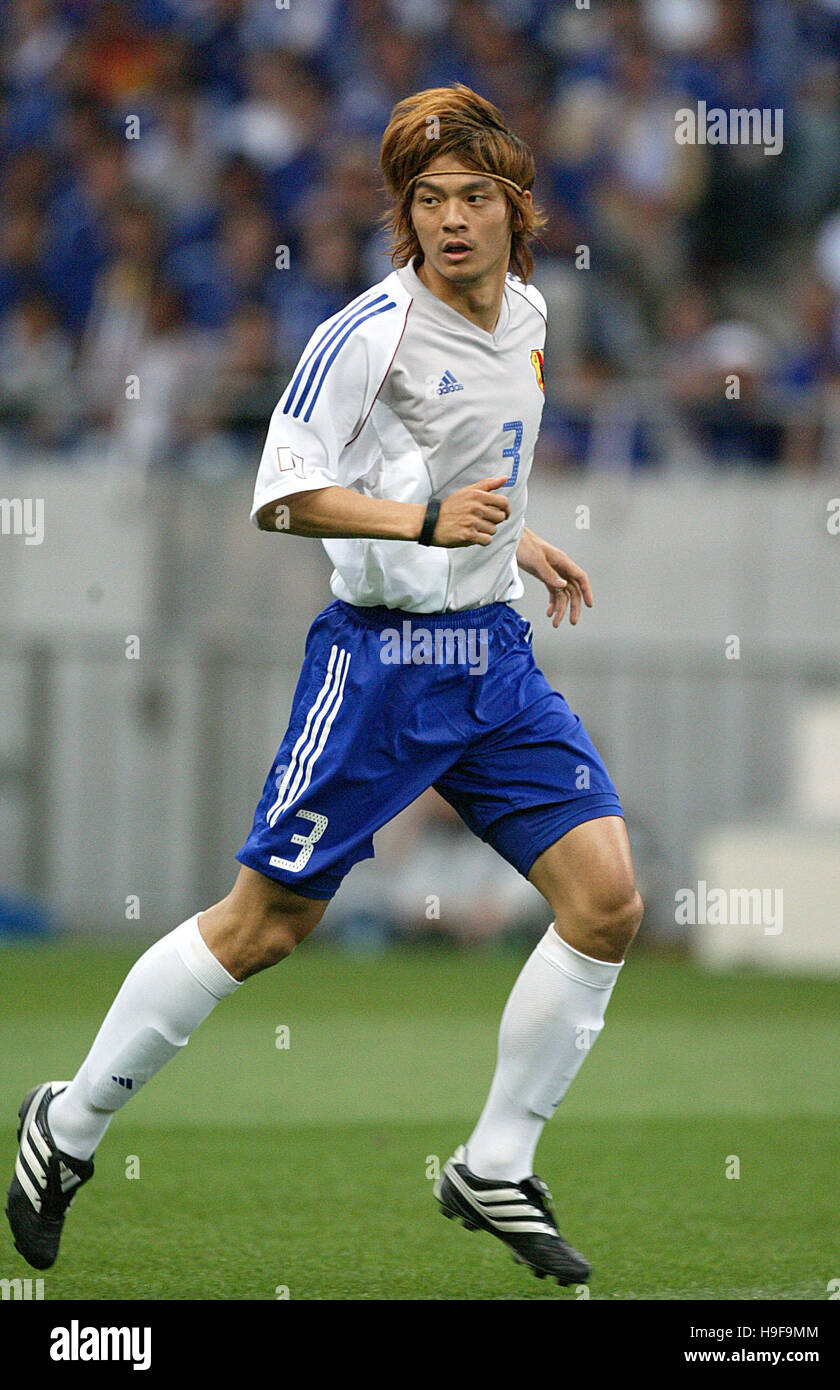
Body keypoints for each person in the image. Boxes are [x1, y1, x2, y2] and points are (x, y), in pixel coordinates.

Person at [7, 84, 643, 1290]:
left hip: (490, 656)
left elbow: (470, 464)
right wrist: (421, 523)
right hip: (381, 664)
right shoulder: (366, 332)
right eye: (426, 201)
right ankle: (70, 1122)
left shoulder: (530, 312)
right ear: (404, 216)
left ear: (514, 208)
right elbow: (280, 492)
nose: (450, 220)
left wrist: (513, 545)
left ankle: (493, 1161)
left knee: (605, 900)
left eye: (470, 197)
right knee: (267, 927)